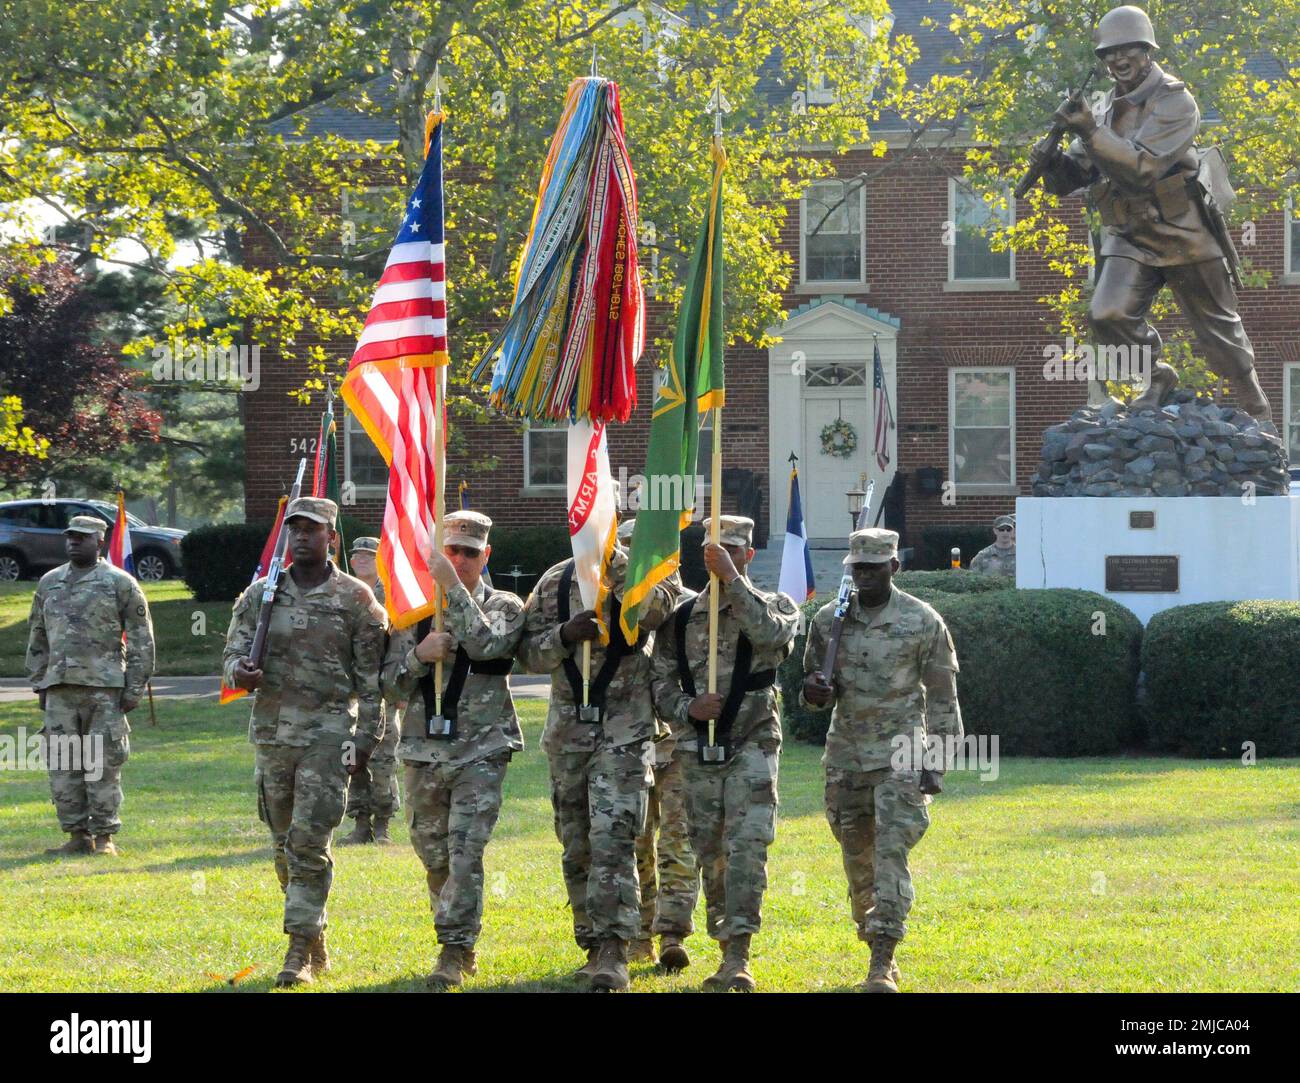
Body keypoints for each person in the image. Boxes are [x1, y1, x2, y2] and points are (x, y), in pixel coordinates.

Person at [1034, 4, 1270, 420]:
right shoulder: (1104, 107)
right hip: (1129, 233)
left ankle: (1257, 410)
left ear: (1148, 50)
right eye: (1109, 53)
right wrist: (1051, 160)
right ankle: (1157, 375)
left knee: (1219, 331)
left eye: (1128, 50)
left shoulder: (1176, 101)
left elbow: (1142, 168)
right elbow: (1073, 178)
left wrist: (1090, 131)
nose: (1118, 60)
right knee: (1108, 315)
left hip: (1183, 231)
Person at [222, 496, 387, 987]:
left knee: (309, 844)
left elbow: (372, 679)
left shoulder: (356, 599)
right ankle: (315, 941)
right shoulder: (261, 594)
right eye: (294, 529)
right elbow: (232, 651)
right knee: (281, 845)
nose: (300, 537)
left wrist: (367, 738)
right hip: (273, 734)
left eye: (311, 530)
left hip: (328, 735)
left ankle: (296, 950)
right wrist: (240, 671)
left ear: (331, 537)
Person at [519, 521, 681, 991]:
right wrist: (564, 635)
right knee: (576, 844)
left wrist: (618, 568)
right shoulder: (554, 582)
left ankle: (616, 949)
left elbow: (657, 614)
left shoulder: (648, 575)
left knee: (614, 839)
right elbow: (527, 654)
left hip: (625, 733)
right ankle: (591, 944)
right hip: (569, 736)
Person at [802, 528, 963, 993]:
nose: (866, 575)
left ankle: (882, 959)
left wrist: (939, 758)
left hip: (902, 756)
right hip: (846, 756)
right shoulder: (828, 622)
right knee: (859, 862)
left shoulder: (921, 620)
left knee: (890, 855)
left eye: (876, 567)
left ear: (895, 567)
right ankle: (871, 938)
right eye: (859, 568)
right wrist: (813, 692)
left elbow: (943, 696)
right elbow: (812, 695)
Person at [651, 516, 799, 991]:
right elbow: (658, 681)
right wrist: (686, 707)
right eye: (715, 551)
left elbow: (772, 636)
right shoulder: (681, 618)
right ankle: (721, 941)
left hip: (753, 742)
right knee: (711, 848)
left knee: (747, 847)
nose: (722, 558)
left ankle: (739, 953)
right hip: (696, 748)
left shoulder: (776, 604)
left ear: (749, 555)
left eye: (733, 551)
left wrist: (733, 582)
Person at [381, 511, 525, 988]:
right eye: (451, 551)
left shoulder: (504, 604)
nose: (459, 559)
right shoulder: (415, 611)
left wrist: (454, 591)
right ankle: (456, 936)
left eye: (469, 552)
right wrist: (417, 657)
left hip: (482, 748)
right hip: (423, 749)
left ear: (487, 555)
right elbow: (387, 684)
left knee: (465, 850)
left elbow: (488, 646)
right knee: (433, 853)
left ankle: (455, 947)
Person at [26, 515, 154, 857]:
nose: (73, 542)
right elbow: (37, 634)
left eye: (82, 537)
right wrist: (39, 681)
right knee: (63, 764)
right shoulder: (49, 582)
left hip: (104, 688)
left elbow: (142, 638)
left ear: (100, 540)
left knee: (102, 764)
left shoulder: (119, 583)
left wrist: (134, 687)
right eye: (70, 537)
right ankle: (76, 834)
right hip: (60, 689)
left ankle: (104, 837)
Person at [623, 517, 698, 972]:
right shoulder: (613, 608)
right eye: (631, 555)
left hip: (678, 744)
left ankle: (672, 933)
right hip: (628, 742)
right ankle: (637, 934)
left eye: (648, 555)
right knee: (634, 841)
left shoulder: (692, 609)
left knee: (677, 841)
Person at [340, 536, 401, 845]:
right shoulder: (342, 592)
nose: (362, 559)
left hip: (382, 691)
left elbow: (401, 643)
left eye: (369, 555)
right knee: (353, 758)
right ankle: (360, 824)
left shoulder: (393, 594)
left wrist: (401, 685)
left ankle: (383, 827)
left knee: (384, 759)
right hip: (350, 693)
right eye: (358, 555)